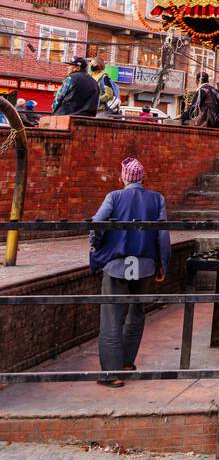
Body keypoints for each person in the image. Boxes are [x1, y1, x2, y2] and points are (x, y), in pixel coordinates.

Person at [89, 156, 171, 387]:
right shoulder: (157, 199)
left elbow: (97, 223)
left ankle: (111, 373)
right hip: (144, 264)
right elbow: (162, 235)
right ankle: (126, 362)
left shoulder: (114, 197)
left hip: (118, 264)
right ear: (144, 177)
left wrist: (96, 246)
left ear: (122, 178)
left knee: (112, 317)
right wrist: (163, 263)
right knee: (136, 312)